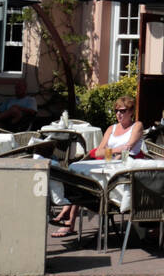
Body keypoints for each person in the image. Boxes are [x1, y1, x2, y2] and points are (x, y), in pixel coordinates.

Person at [51, 97, 144, 237]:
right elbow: (99, 151)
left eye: (122, 111)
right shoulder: (111, 128)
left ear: (131, 112)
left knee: (83, 179)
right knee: (78, 177)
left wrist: (112, 153)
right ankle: (68, 217)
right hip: (110, 163)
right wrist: (114, 152)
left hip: (126, 168)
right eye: (116, 111)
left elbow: (129, 147)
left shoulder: (136, 126)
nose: (118, 114)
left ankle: (68, 220)